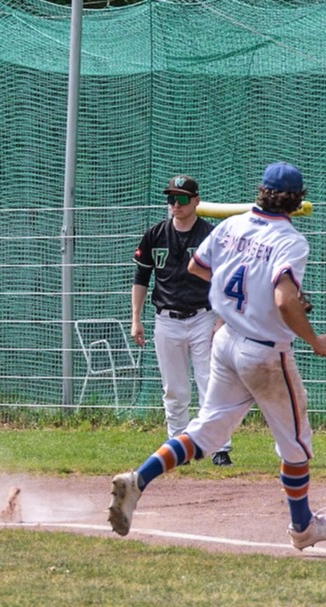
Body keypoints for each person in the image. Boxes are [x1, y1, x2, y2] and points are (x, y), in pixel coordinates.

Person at [108, 162, 326, 550]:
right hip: (265, 352)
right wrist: (315, 340)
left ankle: (139, 480)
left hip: (225, 340)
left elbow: (197, 267)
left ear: (262, 192)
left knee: (205, 430)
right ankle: (303, 527)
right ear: (296, 201)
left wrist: (249, 291)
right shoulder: (291, 240)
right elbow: (284, 301)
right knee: (296, 444)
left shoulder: (232, 225)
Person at [131, 175, 233, 466]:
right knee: (174, 389)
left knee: (210, 383)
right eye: (171, 198)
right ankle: (178, 446)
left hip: (204, 316)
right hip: (167, 319)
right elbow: (141, 277)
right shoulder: (155, 234)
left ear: (197, 201)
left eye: (183, 198)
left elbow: (224, 278)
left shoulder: (210, 235)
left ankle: (219, 447)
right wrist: (136, 318)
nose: (176, 204)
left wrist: (222, 318)